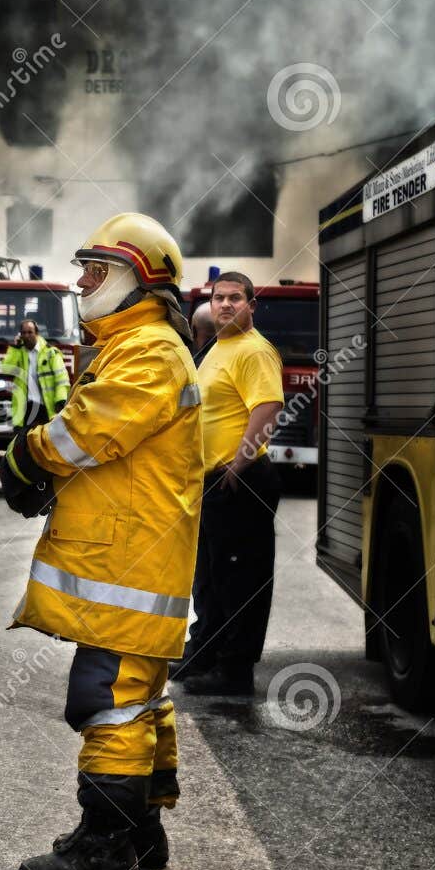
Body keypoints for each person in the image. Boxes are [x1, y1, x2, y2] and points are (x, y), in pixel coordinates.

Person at [0, 213, 202, 870]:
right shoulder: (134, 344)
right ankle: (140, 830)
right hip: (134, 560)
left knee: (108, 698)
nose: (83, 282)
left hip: (130, 563)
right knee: (137, 697)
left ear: (141, 279)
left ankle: (105, 846)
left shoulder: (149, 350)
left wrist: (27, 457)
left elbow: (90, 430)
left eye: (97, 270)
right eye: (84, 269)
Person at [175, 271, 284, 696]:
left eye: (235, 298)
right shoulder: (219, 348)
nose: (225, 304)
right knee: (210, 577)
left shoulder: (254, 351)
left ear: (251, 306)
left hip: (240, 480)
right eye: (218, 298)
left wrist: (238, 465)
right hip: (213, 481)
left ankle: (235, 671)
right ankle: (204, 655)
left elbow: (268, 408)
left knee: (240, 581)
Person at [6, 318, 70, 430]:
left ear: (37, 333)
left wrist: (60, 399)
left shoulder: (51, 352)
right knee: (22, 440)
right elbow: (6, 370)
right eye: (24, 333)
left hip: (45, 407)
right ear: (20, 335)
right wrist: (14, 348)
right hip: (25, 408)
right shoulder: (18, 352)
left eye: (30, 332)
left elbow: (61, 379)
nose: (27, 336)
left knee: (44, 439)